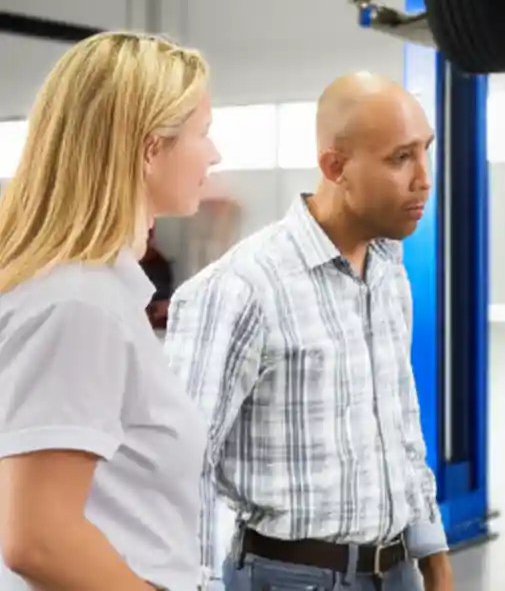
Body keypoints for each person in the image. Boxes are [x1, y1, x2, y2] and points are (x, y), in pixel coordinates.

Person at [164, 71, 454, 591]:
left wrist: (433, 558)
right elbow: (184, 467)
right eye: (400, 157)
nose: (425, 178)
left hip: (398, 571)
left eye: (426, 150)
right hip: (294, 578)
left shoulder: (388, 269)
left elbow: (401, 425)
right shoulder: (241, 288)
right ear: (335, 167)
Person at [0, 32, 221, 590]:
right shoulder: (78, 305)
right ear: (151, 149)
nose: (214, 155)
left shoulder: (88, 294)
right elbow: (38, 537)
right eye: (204, 134)